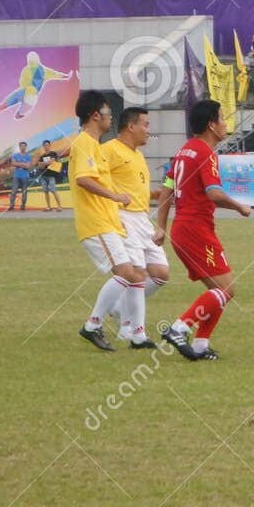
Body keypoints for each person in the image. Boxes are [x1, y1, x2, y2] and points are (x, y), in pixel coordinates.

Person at [156, 99, 253, 360]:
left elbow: (166, 190)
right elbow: (214, 193)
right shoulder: (205, 153)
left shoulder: (184, 151)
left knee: (218, 291)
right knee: (226, 290)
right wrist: (239, 206)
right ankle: (179, 328)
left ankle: (200, 345)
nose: (224, 123)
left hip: (183, 229)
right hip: (195, 230)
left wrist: (161, 228)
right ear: (211, 124)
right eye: (221, 118)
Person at [69, 91, 143, 352]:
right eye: (108, 113)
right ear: (95, 116)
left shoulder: (96, 146)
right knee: (126, 273)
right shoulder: (85, 143)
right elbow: (83, 179)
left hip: (108, 222)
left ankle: (131, 330)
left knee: (133, 274)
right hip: (96, 223)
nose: (111, 118)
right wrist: (114, 196)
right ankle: (93, 325)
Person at [100, 106, 170, 342]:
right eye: (145, 125)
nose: (148, 130)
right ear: (131, 126)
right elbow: (94, 180)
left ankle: (120, 308)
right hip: (123, 217)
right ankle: (128, 328)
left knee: (161, 273)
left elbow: (133, 189)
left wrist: (154, 194)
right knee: (136, 273)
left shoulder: (138, 155)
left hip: (142, 218)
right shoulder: (109, 150)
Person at [0, 51, 74, 124]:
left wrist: (66, 76)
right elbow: (23, 82)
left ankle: (16, 114)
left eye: (32, 61)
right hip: (24, 93)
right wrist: (66, 76)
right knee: (5, 106)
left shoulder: (41, 71)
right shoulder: (31, 70)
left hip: (29, 96)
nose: (31, 63)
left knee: (15, 113)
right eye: (30, 61)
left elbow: (56, 75)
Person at [35, 139, 63, 211]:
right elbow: (39, 166)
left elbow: (51, 161)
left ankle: (59, 206)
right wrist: (43, 164)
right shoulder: (42, 156)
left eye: (47, 145)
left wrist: (43, 164)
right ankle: (48, 206)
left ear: (50, 146)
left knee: (53, 190)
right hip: (43, 176)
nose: (46, 147)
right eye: (45, 146)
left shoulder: (53, 153)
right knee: (46, 191)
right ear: (43, 147)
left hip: (51, 176)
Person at [7, 141, 33, 211]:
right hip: (16, 176)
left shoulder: (28, 156)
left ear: (26, 147)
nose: (23, 147)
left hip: (25, 176)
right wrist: (22, 164)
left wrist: (18, 164)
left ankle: (23, 206)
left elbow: (28, 166)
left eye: (24, 146)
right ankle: (11, 206)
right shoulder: (15, 155)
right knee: (14, 191)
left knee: (24, 192)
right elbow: (13, 163)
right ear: (19, 147)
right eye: (21, 146)